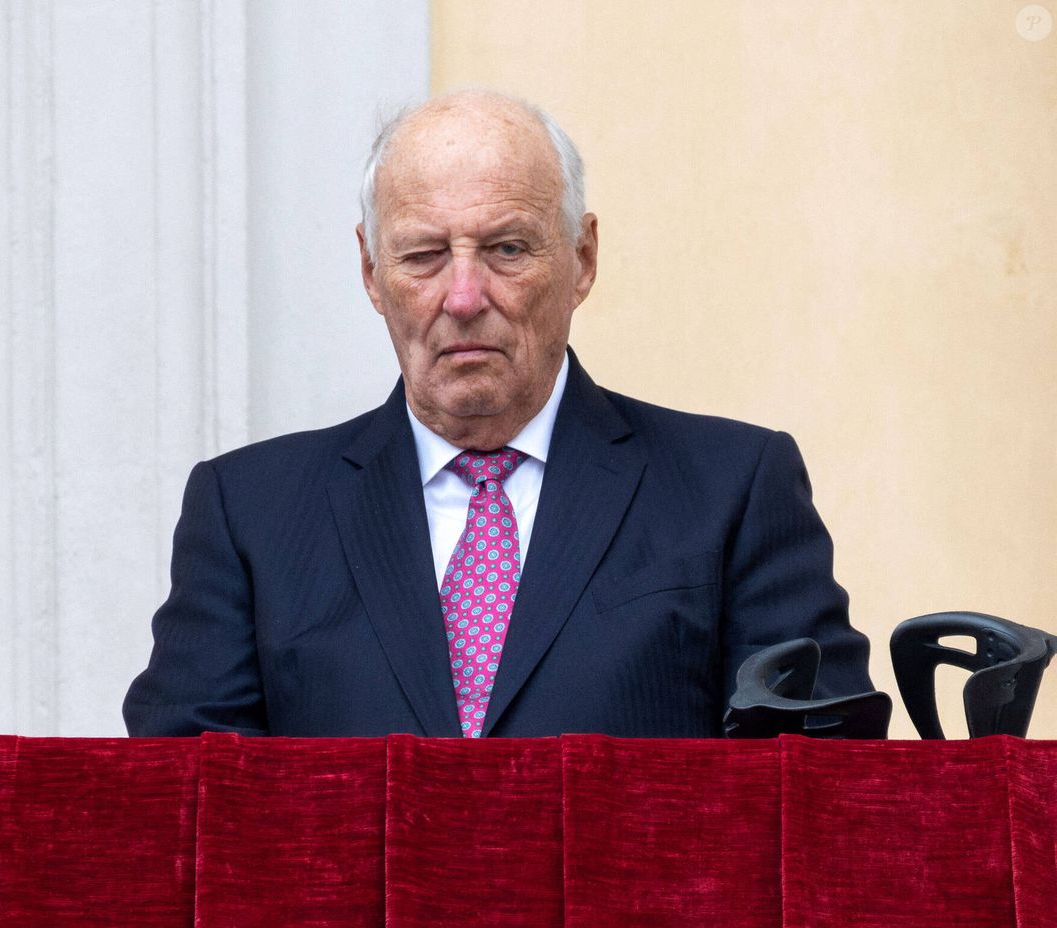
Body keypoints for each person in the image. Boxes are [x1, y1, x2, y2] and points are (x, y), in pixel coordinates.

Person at [124, 90, 873, 739]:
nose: (463, 297)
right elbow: (181, 797)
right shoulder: (250, 514)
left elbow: (824, 786)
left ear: (582, 259)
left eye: (507, 248)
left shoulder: (732, 491)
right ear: (371, 272)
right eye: (424, 255)